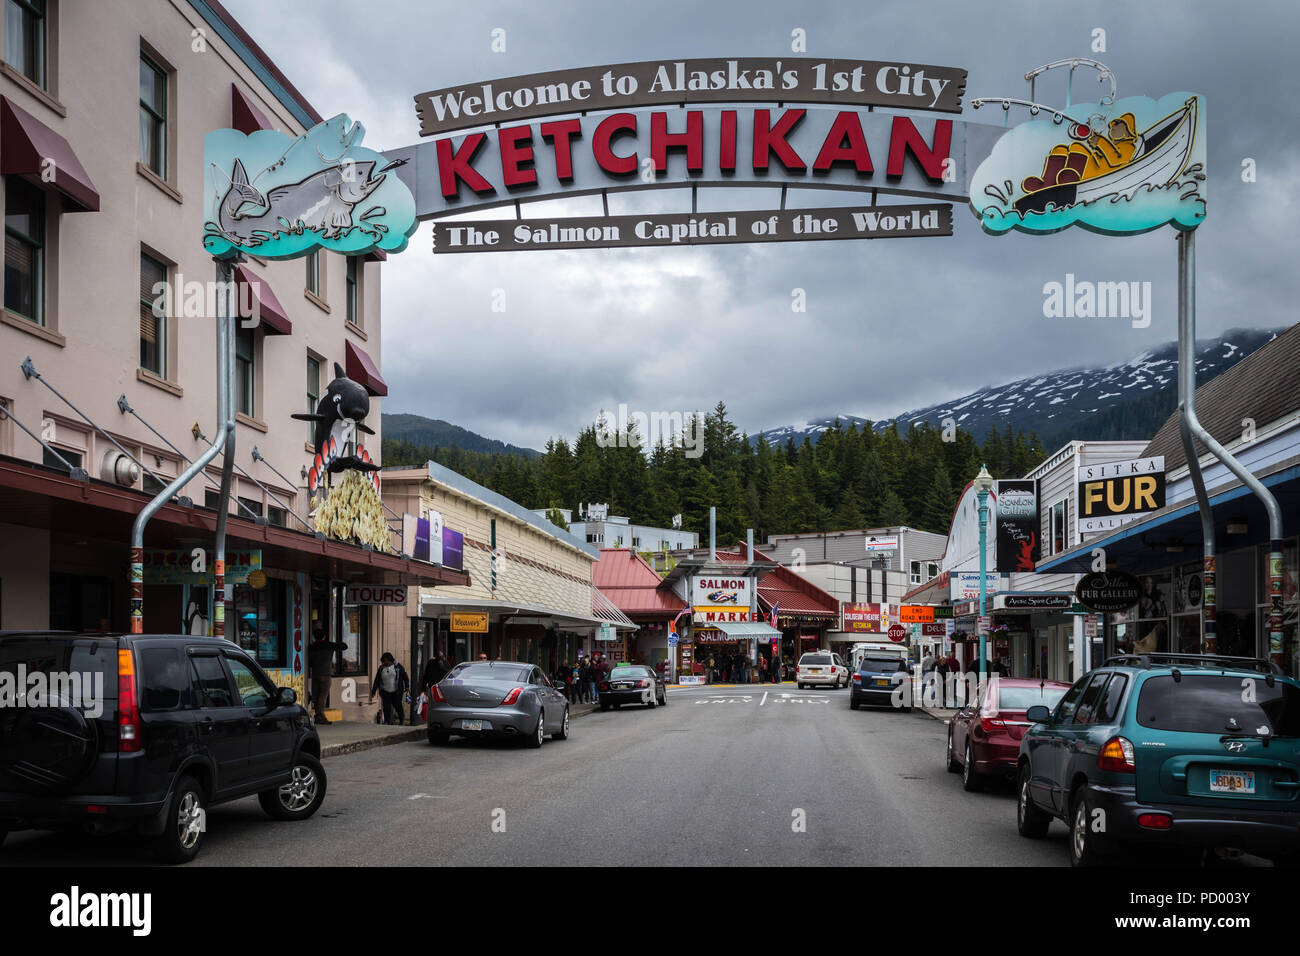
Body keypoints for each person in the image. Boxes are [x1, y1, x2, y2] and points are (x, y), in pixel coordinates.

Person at [307, 629, 348, 724]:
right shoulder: (328, 645)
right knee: (322, 696)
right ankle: (320, 716)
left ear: (314, 637)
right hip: (325, 673)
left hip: (315, 673)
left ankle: (318, 716)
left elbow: (310, 662)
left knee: (316, 695)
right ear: (324, 636)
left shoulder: (312, 646)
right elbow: (344, 646)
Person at [369, 653, 409, 725]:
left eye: (385, 661)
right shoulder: (381, 668)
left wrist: (407, 686)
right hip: (385, 691)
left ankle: (401, 719)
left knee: (398, 706)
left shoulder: (398, 667)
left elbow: (405, 676)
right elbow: (377, 680)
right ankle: (387, 721)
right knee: (386, 708)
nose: (384, 663)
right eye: (383, 661)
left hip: (396, 691)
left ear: (390, 660)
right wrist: (373, 691)